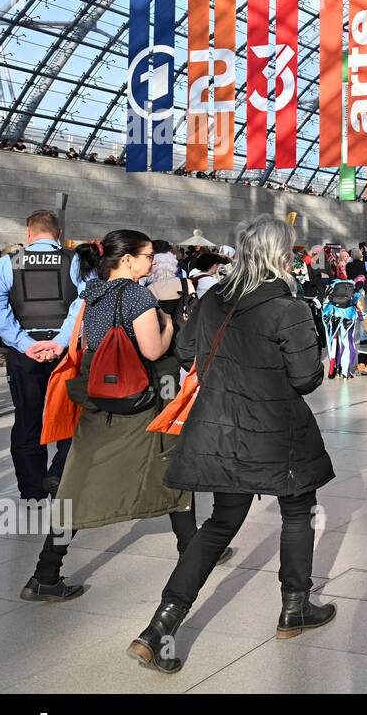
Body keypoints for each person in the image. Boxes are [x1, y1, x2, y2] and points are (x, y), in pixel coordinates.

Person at [126, 216, 334, 673]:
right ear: (281, 255)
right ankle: (294, 606)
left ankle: (159, 626)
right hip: (277, 430)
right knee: (297, 510)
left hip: (220, 428)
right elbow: (306, 379)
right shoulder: (289, 307)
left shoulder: (213, 299)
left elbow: (184, 351)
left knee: (220, 523)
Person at [18, 231, 205, 603]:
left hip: (98, 400)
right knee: (170, 465)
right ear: (127, 260)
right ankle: (194, 550)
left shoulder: (92, 295)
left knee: (77, 483)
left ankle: (45, 571)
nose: (152, 262)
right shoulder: (138, 295)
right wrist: (167, 325)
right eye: (148, 255)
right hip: (138, 402)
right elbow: (152, 351)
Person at [0, 209, 85, 500]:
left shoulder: (7, 263)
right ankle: (59, 475)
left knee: (27, 418)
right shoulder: (75, 261)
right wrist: (62, 341)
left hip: (24, 354)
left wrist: (24, 343)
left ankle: (31, 490)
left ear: (28, 233)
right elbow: (83, 302)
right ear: (59, 234)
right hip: (65, 354)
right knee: (70, 417)